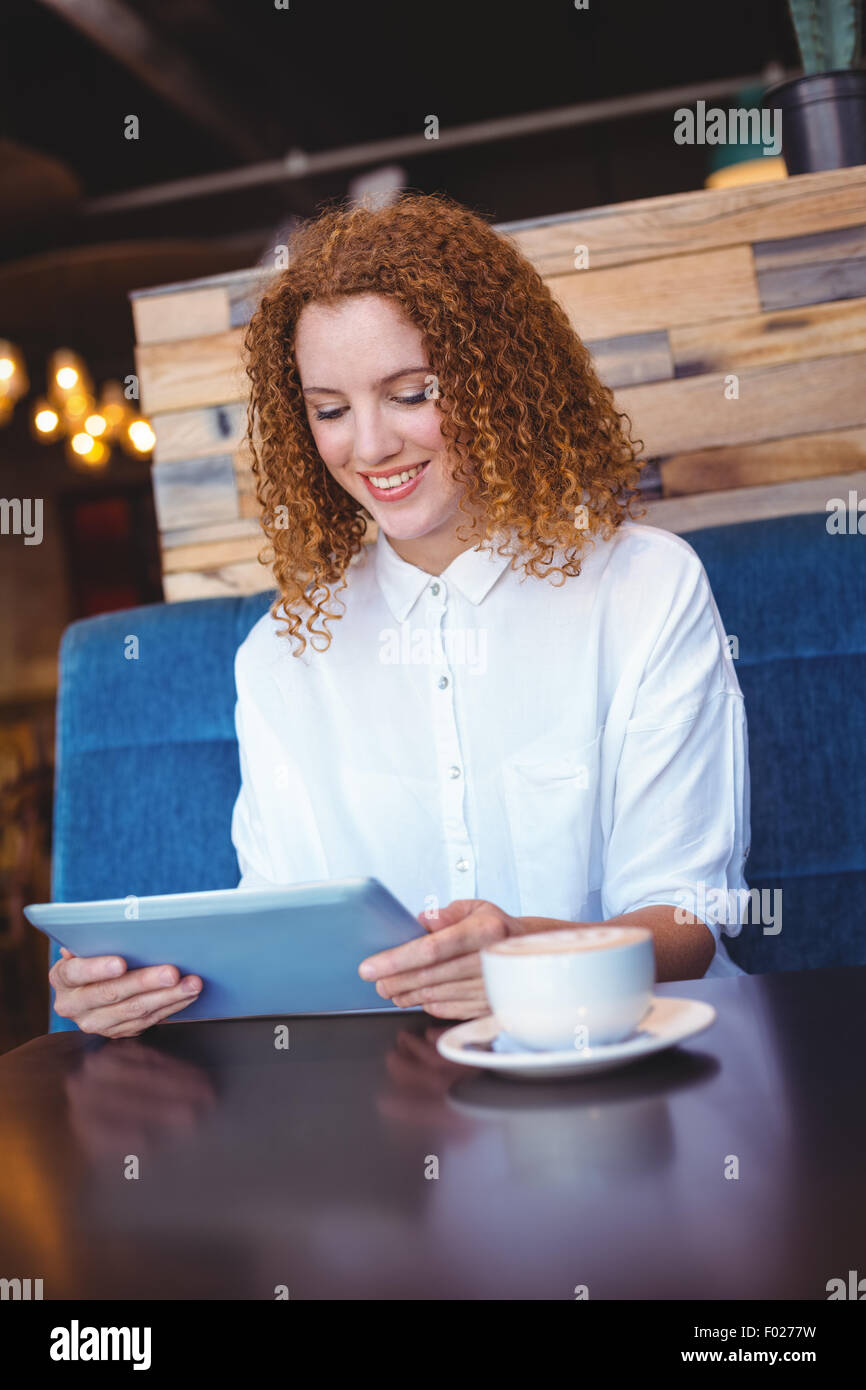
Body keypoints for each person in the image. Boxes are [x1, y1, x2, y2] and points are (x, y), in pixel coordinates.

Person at [50, 192, 749, 1037]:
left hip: (634, 1065)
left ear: (500, 382)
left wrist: (524, 958)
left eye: (413, 393)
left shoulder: (644, 589)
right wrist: (142, 992)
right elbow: (278, 932)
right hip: (394, 1106)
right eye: (331, 411)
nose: (371, 446)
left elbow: (690, 924)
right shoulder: (281, 654)